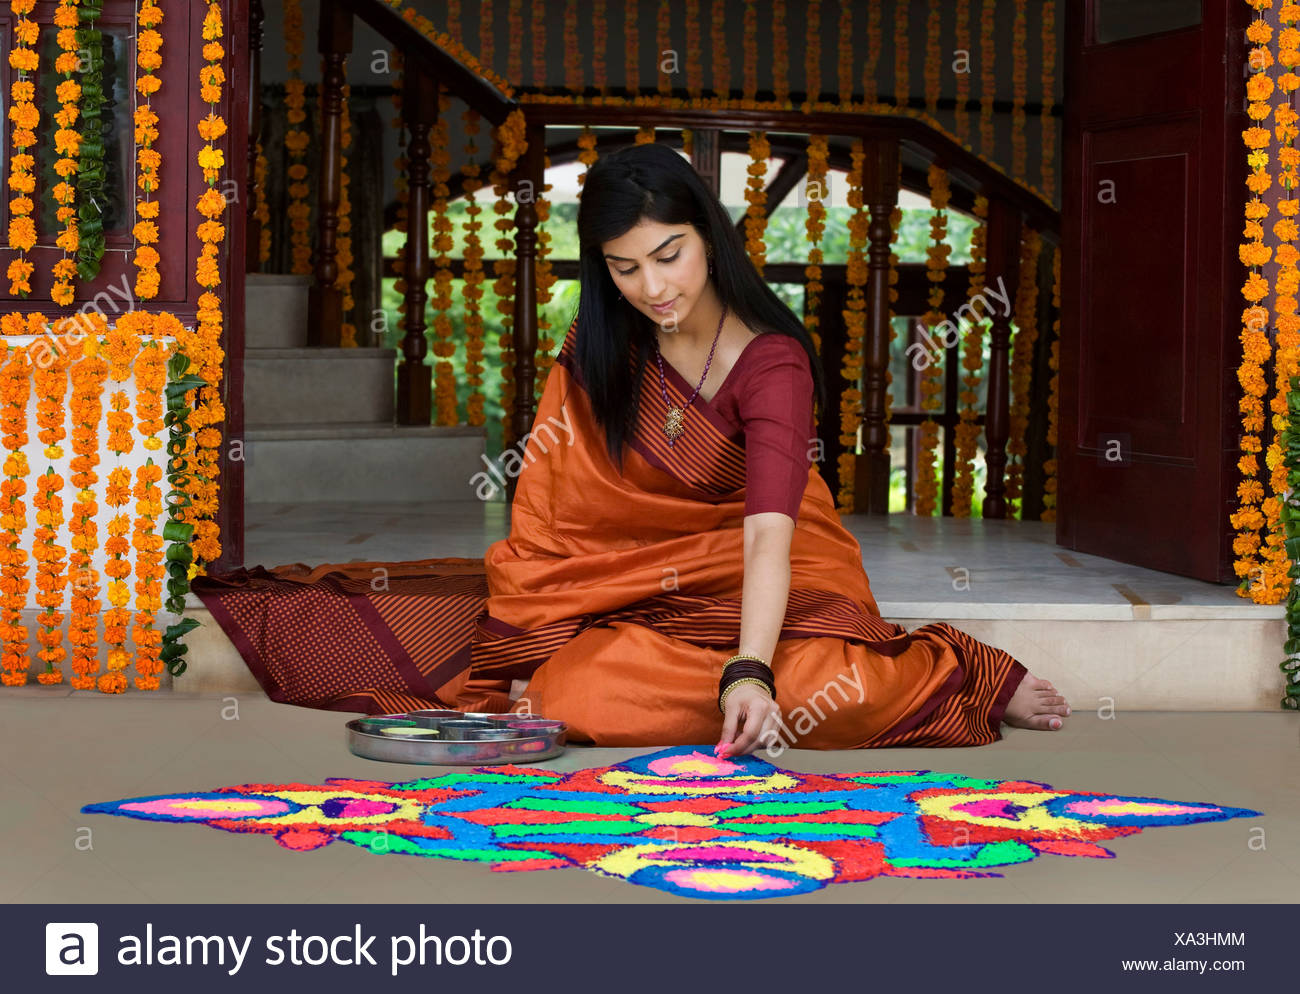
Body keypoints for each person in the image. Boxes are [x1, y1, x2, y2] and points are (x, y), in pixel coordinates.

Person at [444, 142, 1070, 755]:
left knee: (833, 695)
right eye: (624, 267)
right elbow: (555, 510)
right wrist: (541, 633)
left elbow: (769, 535)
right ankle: (671, 681)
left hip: (767, 570)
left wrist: (748, 672)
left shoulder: (772, 364)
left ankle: (957, 667)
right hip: (634, 593)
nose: (652, 286)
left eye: (669, 255)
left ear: (709, 239)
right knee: (570, 696)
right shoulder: (601, 347)